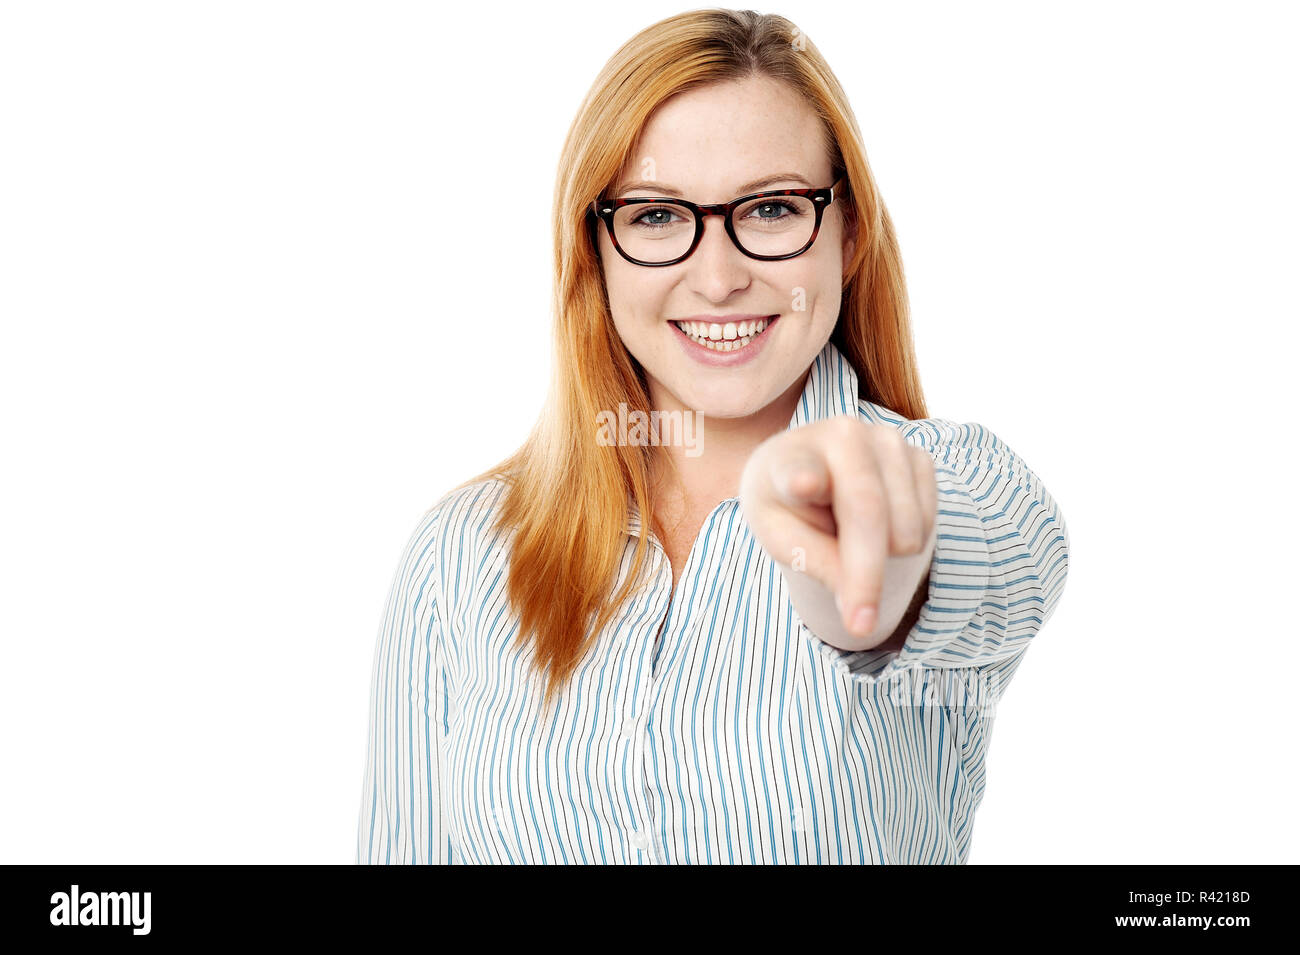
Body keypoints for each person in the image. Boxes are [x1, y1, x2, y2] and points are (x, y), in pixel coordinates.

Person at [356, 8, 1070, 865]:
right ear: (598, 250)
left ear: (847, 233)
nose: (721, 277)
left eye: (770, 208)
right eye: (657, 217)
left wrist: (864, 559)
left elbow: (993, 559)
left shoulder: (951, 477)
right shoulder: (461, 555)